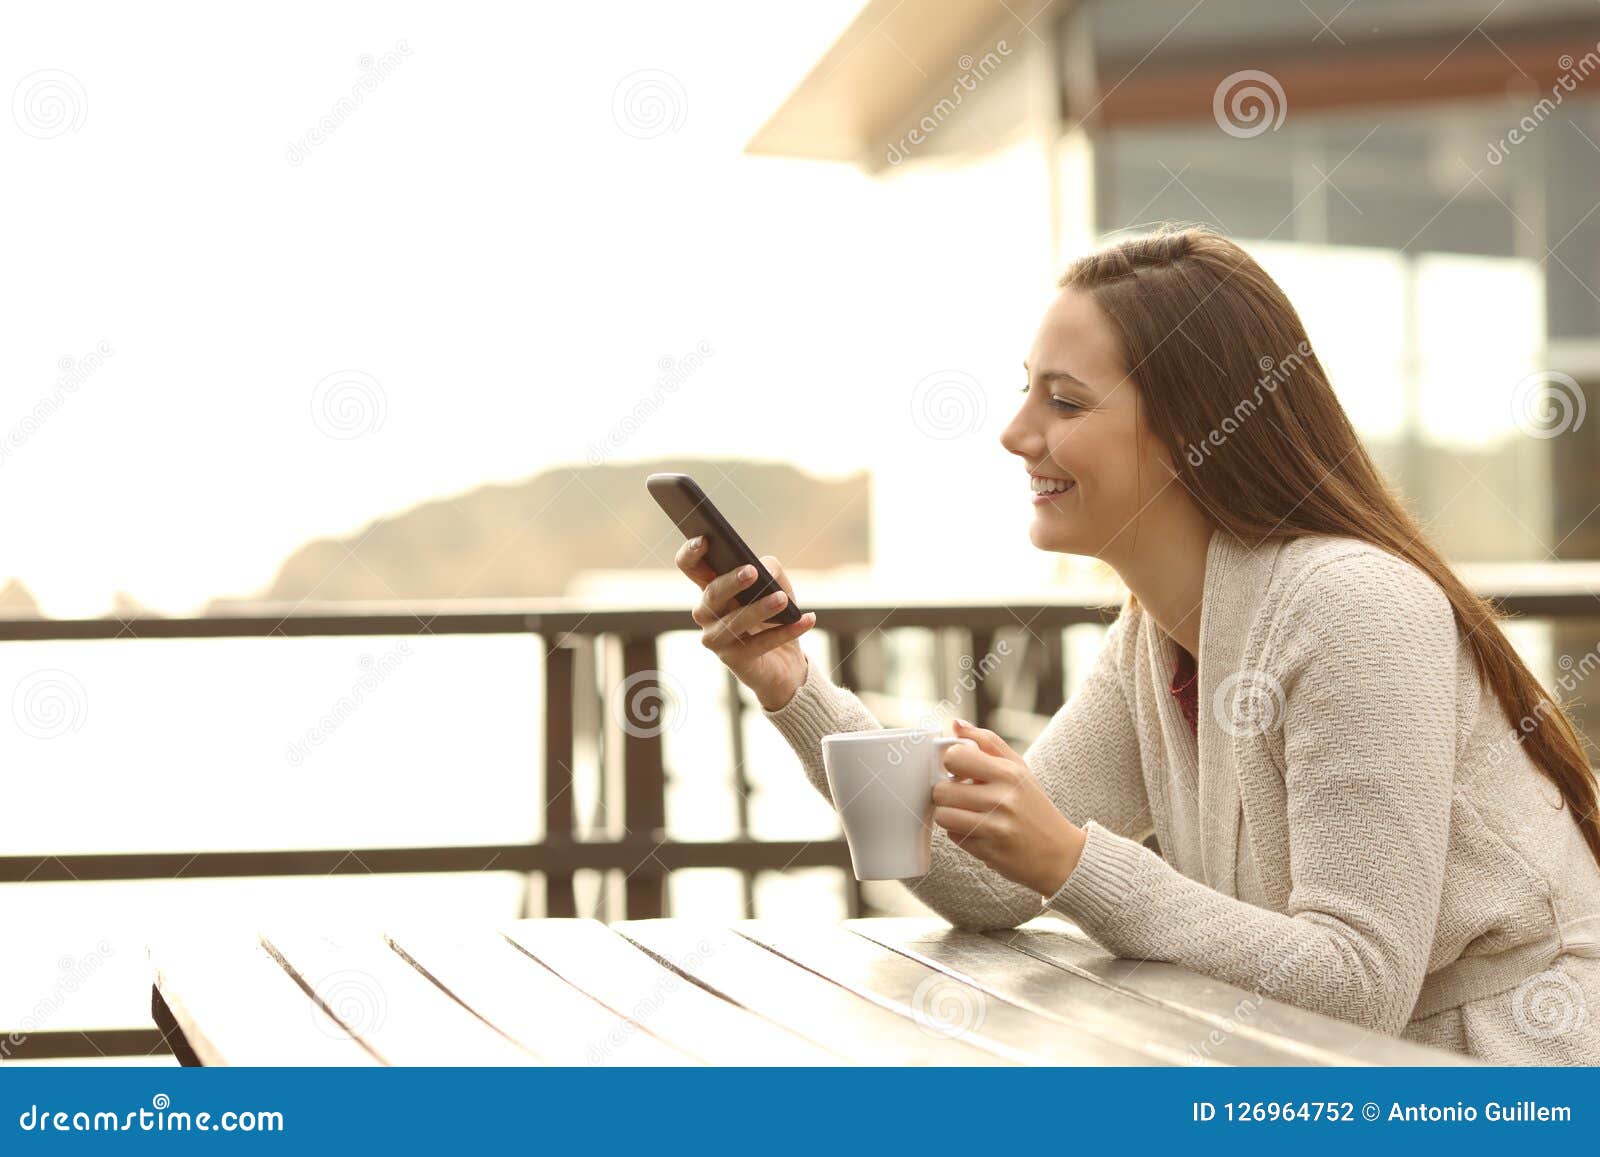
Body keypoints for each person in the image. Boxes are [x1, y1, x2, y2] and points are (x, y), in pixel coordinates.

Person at [673, 226, 1600, 1064]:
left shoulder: (1353, 608)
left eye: (1065, 402)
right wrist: (792, 684)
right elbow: (986, 886)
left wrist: (1074, 863)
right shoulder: (1155, 638)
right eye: (1026, 391)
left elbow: (1358, 982)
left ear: (1193, 431)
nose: (1015, 432)